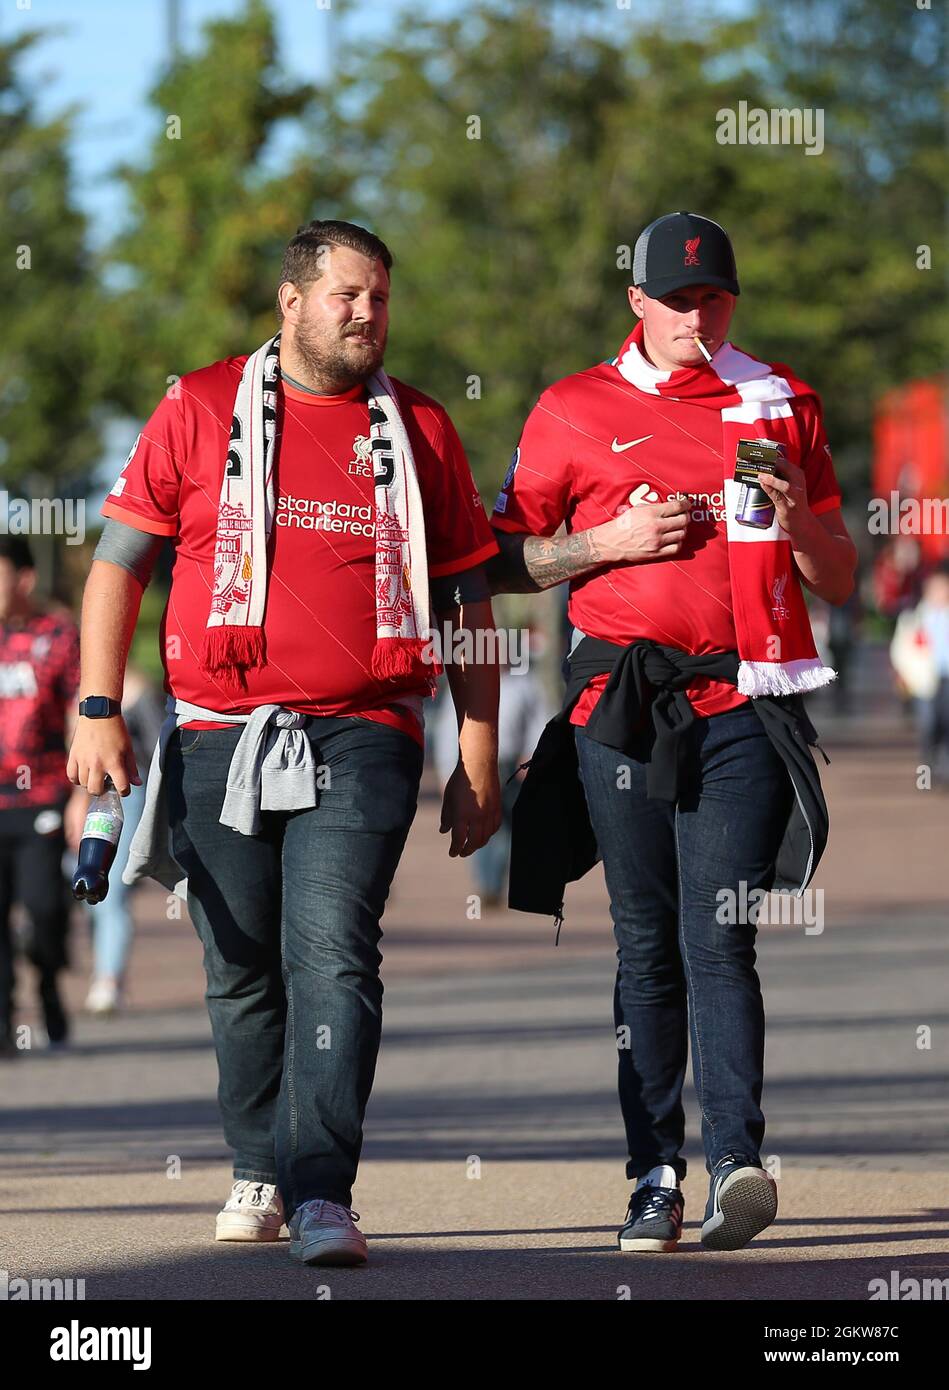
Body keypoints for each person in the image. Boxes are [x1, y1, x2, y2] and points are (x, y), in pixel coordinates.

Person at [66, 220, 501, 1267]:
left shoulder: (423, 428)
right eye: (348, 294)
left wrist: (478, 752)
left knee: (334, 951)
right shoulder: (198, 406)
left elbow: (468, 593)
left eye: (381, 298)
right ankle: (258, 1164)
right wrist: (95, 707)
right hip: (219, 734)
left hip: (368, 731)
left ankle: (321, 1191)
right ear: (291, 301)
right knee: (241, 964)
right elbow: (120, 562)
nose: (367, 313)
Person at [487, 211, 857, 1252]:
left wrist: (797, 527)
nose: (699, 314)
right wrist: (607, 540)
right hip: (621, 706)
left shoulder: (780, 400)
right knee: (645, 947)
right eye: (679, 298)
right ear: (637, 302)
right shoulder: (571, 408)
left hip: (747, 696)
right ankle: (652, 1173)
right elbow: (507, 560)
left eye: (715, 296)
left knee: (720, 932)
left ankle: (736, 1160)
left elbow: (840, 572)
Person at [0, 537, 86, 1054]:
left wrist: (81, 796)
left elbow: (82, 716)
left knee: (43, 908)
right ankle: (5, 1022)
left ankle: (49, 979)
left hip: (44, 798)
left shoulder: (57, 635)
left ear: (24, 578)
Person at [67, 662, 166, 1015]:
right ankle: (105, 972)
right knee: (83, 886)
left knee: (114, 891)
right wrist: (75, 804)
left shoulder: (139, 692)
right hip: (85, 797)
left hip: (127, 795)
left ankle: (108, 979)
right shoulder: (74, 693)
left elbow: (159, 751)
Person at [890, 565, 949, 786]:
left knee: (946, 723)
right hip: (925, 681)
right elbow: (901, 649)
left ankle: (945, 769)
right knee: (928, 724)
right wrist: (904, 674)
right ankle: (928, 768)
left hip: (947, 678)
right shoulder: (914, 618)